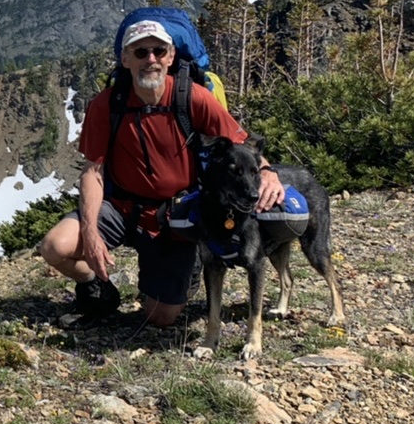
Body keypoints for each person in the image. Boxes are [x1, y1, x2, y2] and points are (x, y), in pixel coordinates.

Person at [39, 19, 285, 327]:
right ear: (125, 59)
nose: (151, 59)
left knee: (160, 317)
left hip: (176, 215)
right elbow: (93, 172)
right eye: (141, 52)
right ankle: (96, 287)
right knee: (54, 247)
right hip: (121, 207)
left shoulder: (193, 98)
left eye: (159, 51)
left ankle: (186, 268)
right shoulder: (108, 104)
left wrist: (268, 171)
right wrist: (90, 233)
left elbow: (240, 143)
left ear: (170, 57)